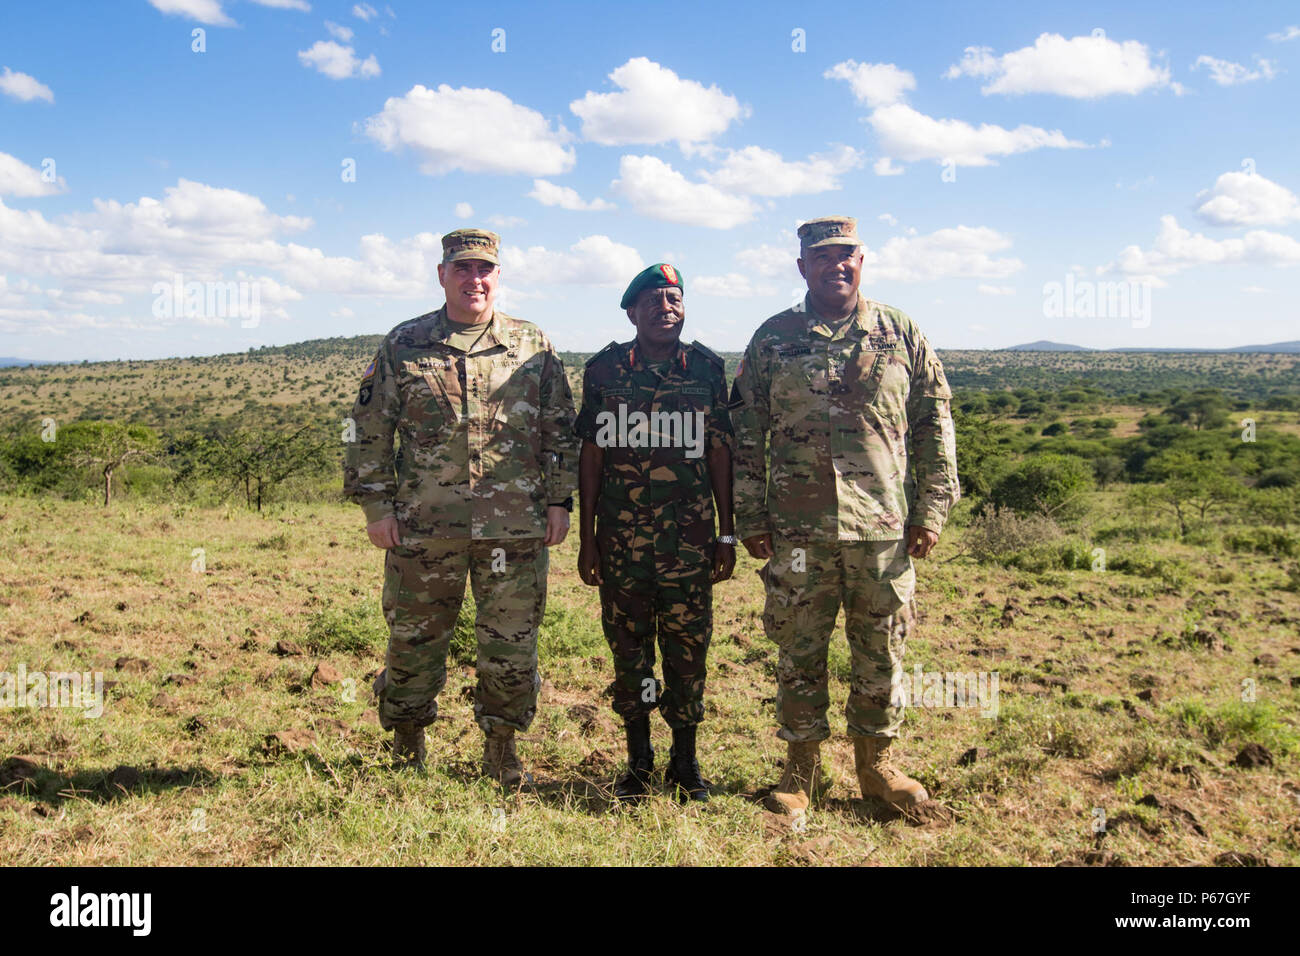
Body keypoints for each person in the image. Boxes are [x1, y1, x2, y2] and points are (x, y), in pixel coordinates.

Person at [729, 217, 960, 814]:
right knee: (799, 648)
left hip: (882, 527)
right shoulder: (773, 338)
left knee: (881, 647)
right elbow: (746, 431)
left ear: (863, 261)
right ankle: (800, 769)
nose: (836, 264)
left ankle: (877, 766)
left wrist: (932, 508)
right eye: (822, 256)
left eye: (847, 255)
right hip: (797, 528)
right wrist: (750, 514)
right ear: (801, 265)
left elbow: (935, 421)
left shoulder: (899, 332)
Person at [343, 227, 578, 788]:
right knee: (414, 639)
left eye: (486, 269)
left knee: (512, 643)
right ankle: (407, 741)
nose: (476, 279)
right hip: (425, 529)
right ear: (442, 274)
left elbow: (560, 430)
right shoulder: (405, 343)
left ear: (498, 276)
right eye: (464, 268)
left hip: (513, 528)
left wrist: (559, 499)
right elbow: (368, 431)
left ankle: (501, 747)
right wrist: (377, 508)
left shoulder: (532, 344)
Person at [574, 263, 736, 803]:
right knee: (631, 651)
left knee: (688, 650)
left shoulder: (709, 370)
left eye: (674, 297)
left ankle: (685, 763)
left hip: (689, 542)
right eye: (653, 299)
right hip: (621, 543)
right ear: (631, 312)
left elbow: (719, 452)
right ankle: (639, 762)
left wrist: (727, 533)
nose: (666, 307)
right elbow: (592, 453)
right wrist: (587, 536)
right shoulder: (604, 371)